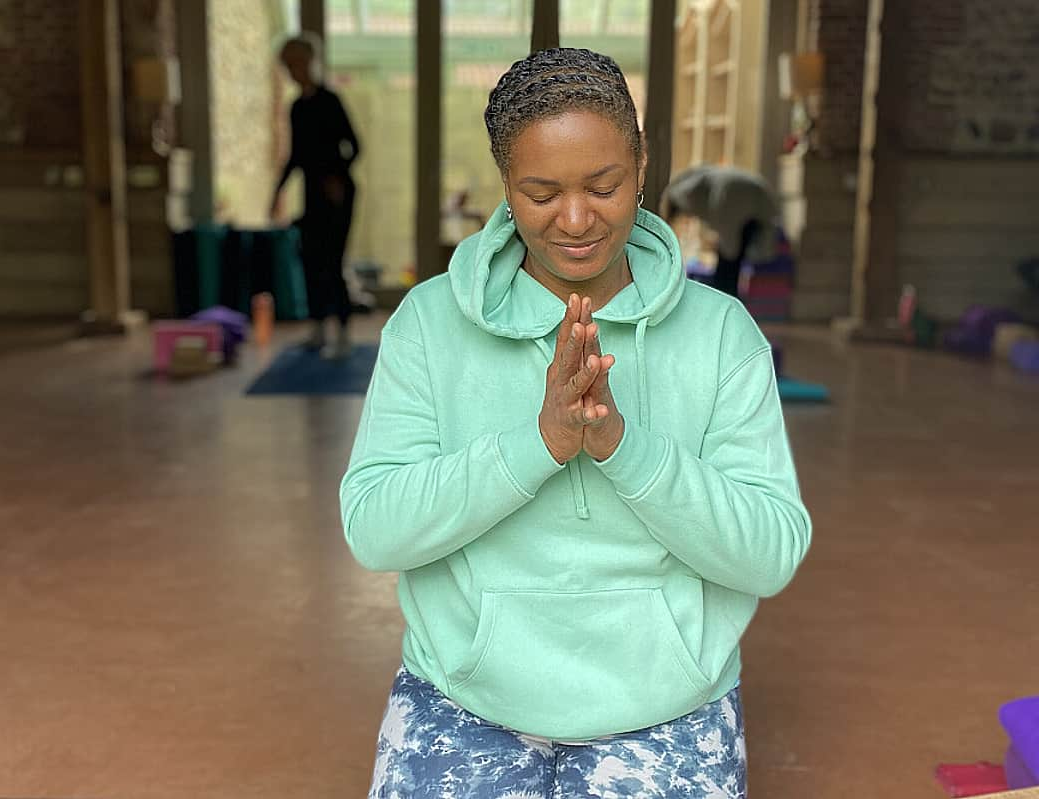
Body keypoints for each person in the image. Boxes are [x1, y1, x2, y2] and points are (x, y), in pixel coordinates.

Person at [340, 48, 811, 798]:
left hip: (669, 706)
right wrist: (539, 445)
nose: (576, 219)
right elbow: (373, 529)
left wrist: (626, 449)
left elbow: (770, 553)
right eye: (540, 192)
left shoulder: (722, 333)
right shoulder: (427, 325)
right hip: (464, 699)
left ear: (643, 162)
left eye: (604, 185)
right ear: (504, 185)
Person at [270, 34, 360, 358]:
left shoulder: (330, 101)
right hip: (312, 196)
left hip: (338, 195)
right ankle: (319, 330)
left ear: (310, 62)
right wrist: (276, 192)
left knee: (333, 262)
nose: (293, 71)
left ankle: (344, 334)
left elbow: (354, 145)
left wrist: (336, 176)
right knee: (311, 261)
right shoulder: (297, 108)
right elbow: (295, 155)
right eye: (288, 66)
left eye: (296, 63)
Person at [660, 165, 780, 299]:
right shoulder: (699, 180)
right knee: (733, 259)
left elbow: (715, 220)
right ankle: (729, 298)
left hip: (731, 197)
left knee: (728, 260)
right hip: (757, 196)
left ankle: (726, 298)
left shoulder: (681, 192)